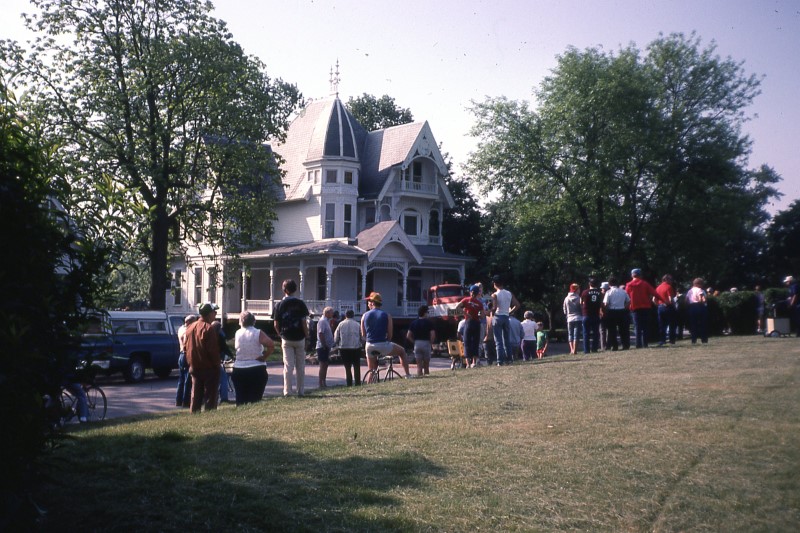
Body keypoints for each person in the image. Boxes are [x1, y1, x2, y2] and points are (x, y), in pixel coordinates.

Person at [360, 292, 412, 377]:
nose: (368, 304)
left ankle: (370, 382)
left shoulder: (364, 315)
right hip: (382, 344)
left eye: (369, 302)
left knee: (371, 371)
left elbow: (363, 334)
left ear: (372, 303)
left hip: (369, 345)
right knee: (402, 352)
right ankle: (407, 374)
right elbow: (390, 335)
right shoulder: (387, 315)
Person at [273, 279, 310, 397]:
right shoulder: (300, 304)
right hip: (300, 338)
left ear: (284, 290)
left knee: (288, 366)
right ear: (295, 289)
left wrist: (280, 335)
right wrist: (307, 336)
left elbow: (275, 324)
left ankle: (287, 391)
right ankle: (301, 391)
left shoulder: (279, 305)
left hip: (286, 337)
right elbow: (304, 323)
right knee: (300, 366)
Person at [184, 302, 222, 413]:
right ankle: (209, 415)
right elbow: (212, 350)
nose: (215, 315)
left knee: (195, 394)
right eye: (214, 312)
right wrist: (217, 364)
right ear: (209, 314)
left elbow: (185, 347)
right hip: (209, 367)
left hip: (194, 366)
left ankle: (194, 413)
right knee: (210, 395)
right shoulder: (208, 328)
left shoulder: (190, 327)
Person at [232, 310, 273, 405]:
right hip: (256, 367)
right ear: (254, 321)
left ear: (240, 321)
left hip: (239, 368)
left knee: (241, 399)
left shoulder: (237, 333)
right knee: (255, 400)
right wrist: (264, 356)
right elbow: (271, 345)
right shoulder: (257, 332)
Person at [626, 268, 662, 348]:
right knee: (645, 326)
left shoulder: (629, 285)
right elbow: (654, 293)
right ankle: (645, 343)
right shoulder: (645, 284)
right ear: (640, 275)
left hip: (634, 308)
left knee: (637, 326)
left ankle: (638, 344)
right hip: (645, 307)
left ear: (632, 275)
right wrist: (662, 300)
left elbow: (626, 296)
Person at [490, 275, 521, 366]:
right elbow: (517, 304)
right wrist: (510, 312)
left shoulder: (495, 294)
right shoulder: (509, 293)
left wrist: (489, 312)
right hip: (506, 316)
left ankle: (500, 360)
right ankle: (509, 359)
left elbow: (495, 307)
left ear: (495, 284)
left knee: (498, 340)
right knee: (506, 340)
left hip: (498, 317)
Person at [456, 285, 485, 368]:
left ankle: (468, 363)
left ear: (470, 292)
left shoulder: (466, 300)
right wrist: (478, 315)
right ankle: (474, 362)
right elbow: (483, 315)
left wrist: (465, 313)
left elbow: (457, 307)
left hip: (468, 322)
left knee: (467, 341)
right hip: (476, 323)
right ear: (477, 293)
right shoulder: (479, 303)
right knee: (475, 342)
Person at [334, 309, 363, 386]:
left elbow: (336, 337)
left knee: (347, 367)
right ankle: (357, 382)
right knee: (356, 366)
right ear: (353, 315)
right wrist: (362, 343)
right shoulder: (357, 324)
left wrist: (337, 344)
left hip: (344, 348)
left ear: (345, 315)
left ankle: (349, 383)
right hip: (355, 348)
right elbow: (362, 337)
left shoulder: (341, 324)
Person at [406, 305, 436, 376]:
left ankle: (419, 375)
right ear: (425, 313)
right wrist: (431, 342)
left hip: (417, 343)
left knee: (419, 365)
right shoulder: (429, 323)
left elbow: (408, 335)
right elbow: (433, 335)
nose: (428, 314)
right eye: (427, 312)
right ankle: (426, 376)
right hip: (426, 343)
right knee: (426, 365)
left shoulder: (414, 323)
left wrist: (414, 342)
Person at [602, 276, 630, 351]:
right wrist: (625, 307)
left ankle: (615, 346)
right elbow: (628, 301)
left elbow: (606, 304)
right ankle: (625, 345)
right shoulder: (623, 291)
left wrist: (607, 310)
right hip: (622, 310)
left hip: (612, 311)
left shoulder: (608, 292)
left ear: (609, 284)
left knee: (612, 330)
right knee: (623, 329)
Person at [176, 314, 197, 408]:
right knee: (187, 380)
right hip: (186, 354)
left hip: (180, 355)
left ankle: (178, 400)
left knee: (181, 379)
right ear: (190, 322)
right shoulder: (187, 331)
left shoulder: (180, 329)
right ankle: (186, 401)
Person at [581, 278, 603, 354]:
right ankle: (594, 348)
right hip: (595, 314)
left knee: (586, 333)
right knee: (596, 333)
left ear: (589, 284)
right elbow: (601, 303)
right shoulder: (599, 293)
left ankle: (586, 350)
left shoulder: (585, 292)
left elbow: (581, 302)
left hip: (586, 314)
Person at [213, 320, 233, 404]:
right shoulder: (219, 337)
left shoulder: (210, 335)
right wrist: (232, 356)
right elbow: (224, 348)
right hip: (216, 360)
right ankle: (224, 398)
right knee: (224, 378)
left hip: (210, 360)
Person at [656, 274, 678, 346]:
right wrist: (674, 306)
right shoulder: (669, 287)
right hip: (668, 307)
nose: (671, 281)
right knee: (672, 324)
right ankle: (672, 340)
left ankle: (662, 340)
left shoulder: (658, 287)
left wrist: (658, 305)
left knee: (662, 325)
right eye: (670, 279)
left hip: (660, 307)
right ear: (667, 280)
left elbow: (653, 299)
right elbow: (670, 299)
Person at [686, 277, 709, 344]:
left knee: (693, 325)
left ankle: (694, 340)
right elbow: (701, 299)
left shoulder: (690, 291)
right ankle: (704, 339)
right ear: (698, 284)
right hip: (699, 306)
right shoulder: (700, 290)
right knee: (702, 324)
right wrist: (704, 301)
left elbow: (686, 300)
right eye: (702, 284)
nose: (702, 285)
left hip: (692, 307)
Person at [316, 306, 334, 388]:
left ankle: (324, 382)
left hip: (326, 346)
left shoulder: (327, 321)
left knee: (326, 364)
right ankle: (320, 383)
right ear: (327, 313)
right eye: (331, 312)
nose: (332, 314)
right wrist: (324, 345)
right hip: (322, 346)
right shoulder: (322, 321)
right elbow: (321, 333)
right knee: (322, 365)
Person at [563, 283, 582, 355]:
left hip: (569, 318)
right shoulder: (579, 298)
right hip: (578, 317)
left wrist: (567, 314)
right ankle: (575, 350)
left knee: (570, 334)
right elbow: (581, 308)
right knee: (576, 335)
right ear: (576, 290)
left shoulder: (566, 298)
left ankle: (571, 349)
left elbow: (564, 309)